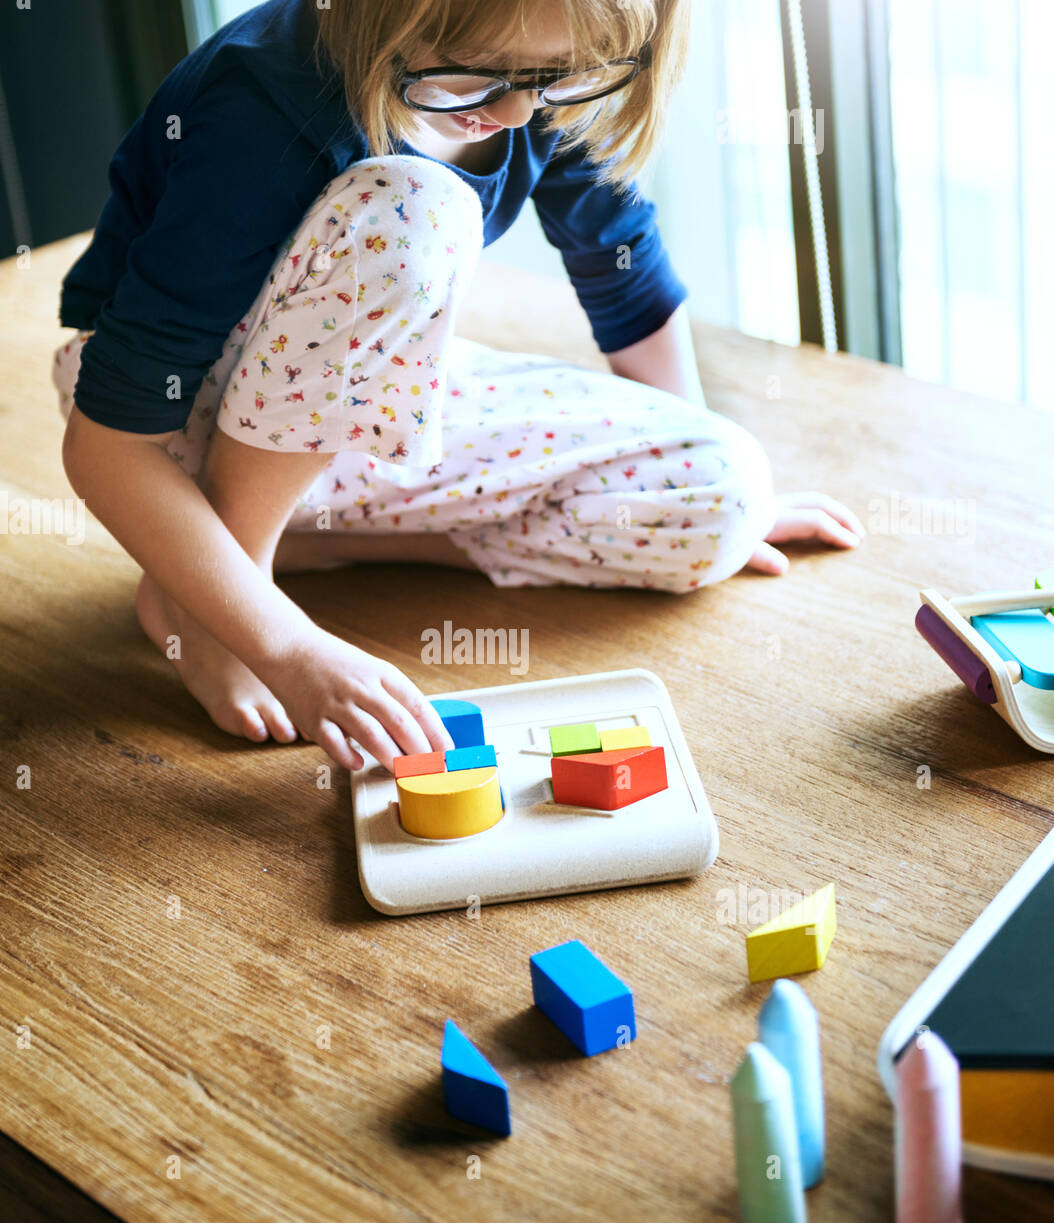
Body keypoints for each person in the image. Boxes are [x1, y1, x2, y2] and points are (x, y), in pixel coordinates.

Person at [56, 0, 863, 772]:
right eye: (479, 74)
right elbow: (104, 447)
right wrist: (288, 648)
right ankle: (217, 601)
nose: (518, 114)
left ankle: (262, 551)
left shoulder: (536, 61)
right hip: (170, 427)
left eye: (554, 79)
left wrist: (687, 446)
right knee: (417, 209)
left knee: (723, 490)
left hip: (334, 417)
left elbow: (620, 262)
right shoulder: (261, 107)